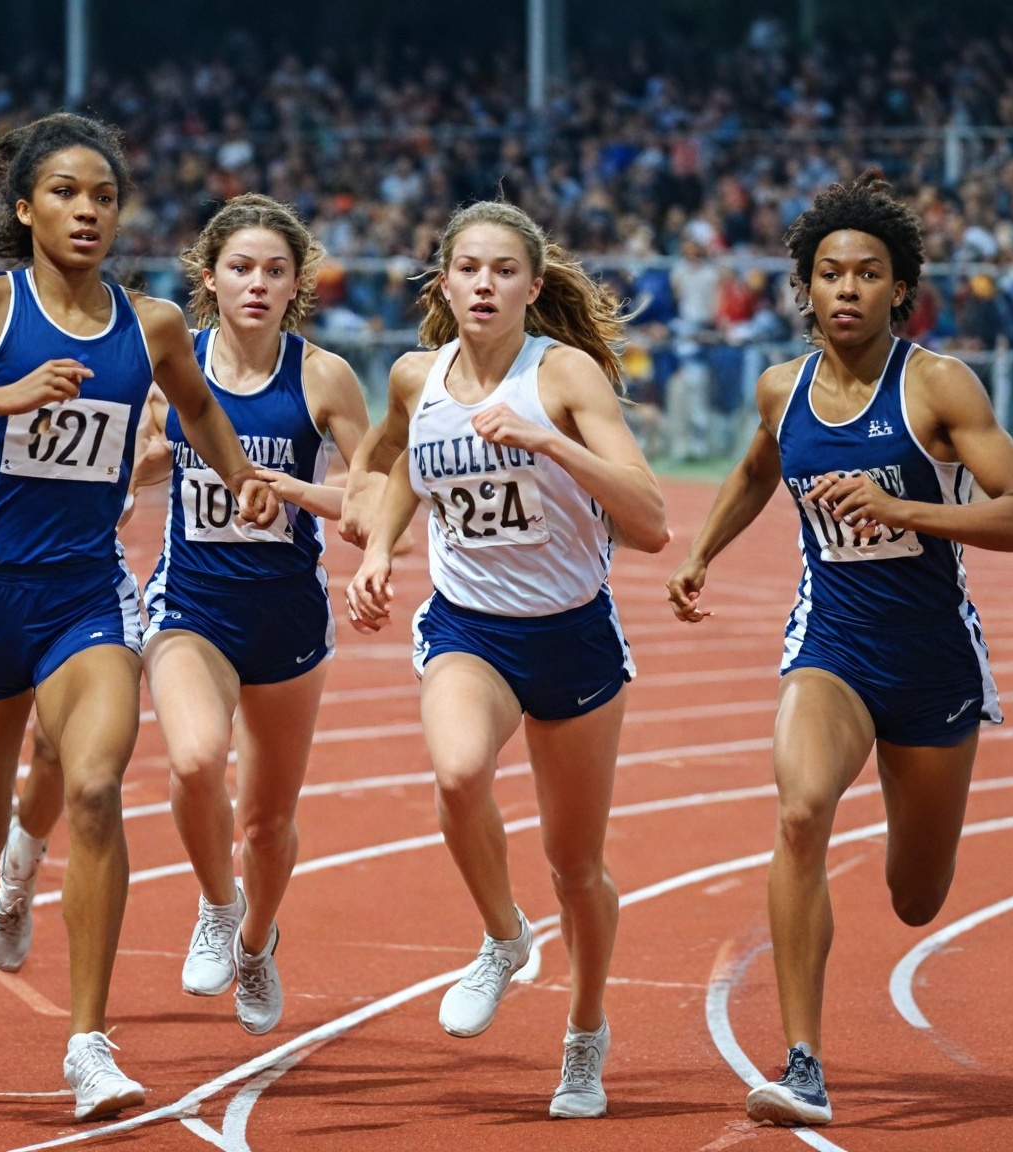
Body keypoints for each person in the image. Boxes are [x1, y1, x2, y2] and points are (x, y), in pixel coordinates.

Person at [0, 112, 278, 1122]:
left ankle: (88, 1044)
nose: (88, 210)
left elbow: (199, 407)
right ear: (26, 208)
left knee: (91, 786)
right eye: (68, 193)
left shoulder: (152, 325)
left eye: (105, 195)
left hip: (86, 595)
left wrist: (242, 472)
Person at [664, 171, 1013, 1127]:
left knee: (917, 897)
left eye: (867, 274)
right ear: (804, 287)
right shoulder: (778, 388)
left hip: (931, 665)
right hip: (831, 643)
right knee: (799, 813)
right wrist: (703, 553)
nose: (846, 289)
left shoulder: (936, 385)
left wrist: (905, 506)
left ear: (898, 289)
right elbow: (760, 467)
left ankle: (906, 841)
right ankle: (803, 1065)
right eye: (829, 273)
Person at [345, 200, 671, 1119]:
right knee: (457, 775)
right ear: (442, 283)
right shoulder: (418, 376)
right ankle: (500, 935)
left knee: (577, 867)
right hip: (469, 626)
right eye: (468, 269)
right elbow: (395, 467)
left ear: (532, 285)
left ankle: (585, 1034)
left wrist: (548, 440)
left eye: (502, 270)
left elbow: (649, 522)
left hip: (571, 635)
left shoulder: (562, 375)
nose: (484, 284)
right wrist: (377, 553)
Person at [122, 194, 369, 1033]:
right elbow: (145, 456)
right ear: (209, 278)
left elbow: (373, 501)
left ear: (298, 283)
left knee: (266, 823)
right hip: (193, 600)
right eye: (240, 269)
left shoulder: (323, 375)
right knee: (194, 761)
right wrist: (132, 482)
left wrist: (297, 492)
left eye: (274, 271)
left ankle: (258, 942)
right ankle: (218, 907)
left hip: (290, 617)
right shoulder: (173, 362)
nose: (256, 284)